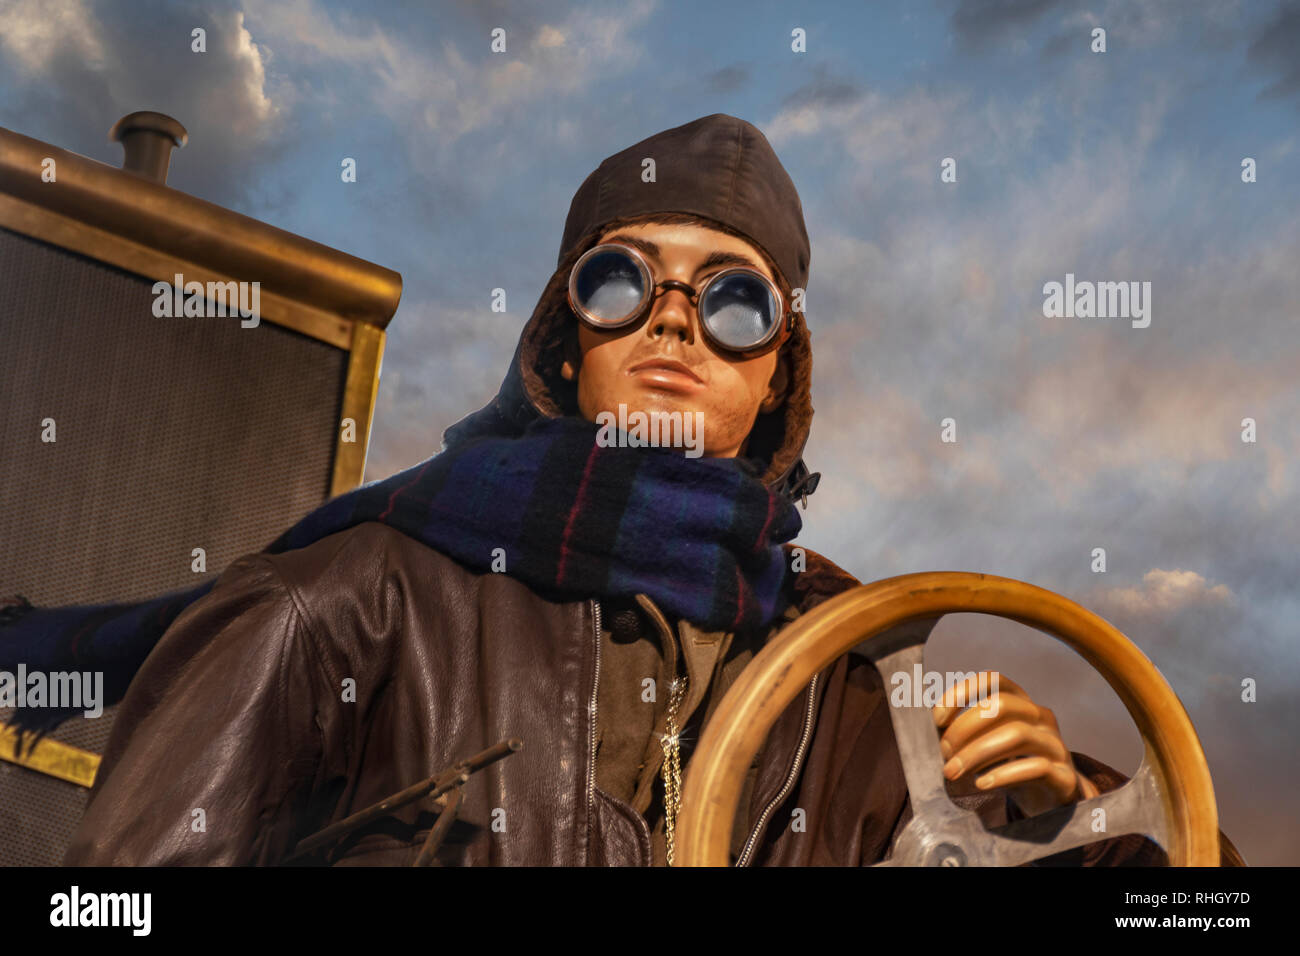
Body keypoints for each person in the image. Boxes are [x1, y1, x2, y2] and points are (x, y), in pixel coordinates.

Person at [34, 113, 1238, 866]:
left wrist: (1084, 815)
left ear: (778, 373)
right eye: (623, 280)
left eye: (731, 297)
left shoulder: (857, 695)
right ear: (565, 339)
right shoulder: (352, 599)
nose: (674, 315)